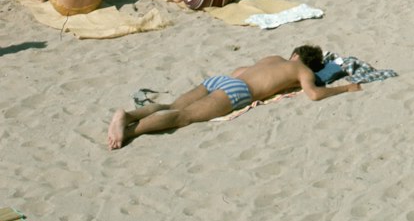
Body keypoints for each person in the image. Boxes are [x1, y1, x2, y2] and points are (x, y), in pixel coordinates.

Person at [106, 47, 361, 149]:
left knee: (172, 105)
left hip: (221, 80)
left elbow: (239, 71)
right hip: (238, 91)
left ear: (293, 53)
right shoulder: (302, 71)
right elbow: (314, 94)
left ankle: (126, 115)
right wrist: (345, 89)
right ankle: (130, 132)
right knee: (183, 117)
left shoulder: (273, 58)